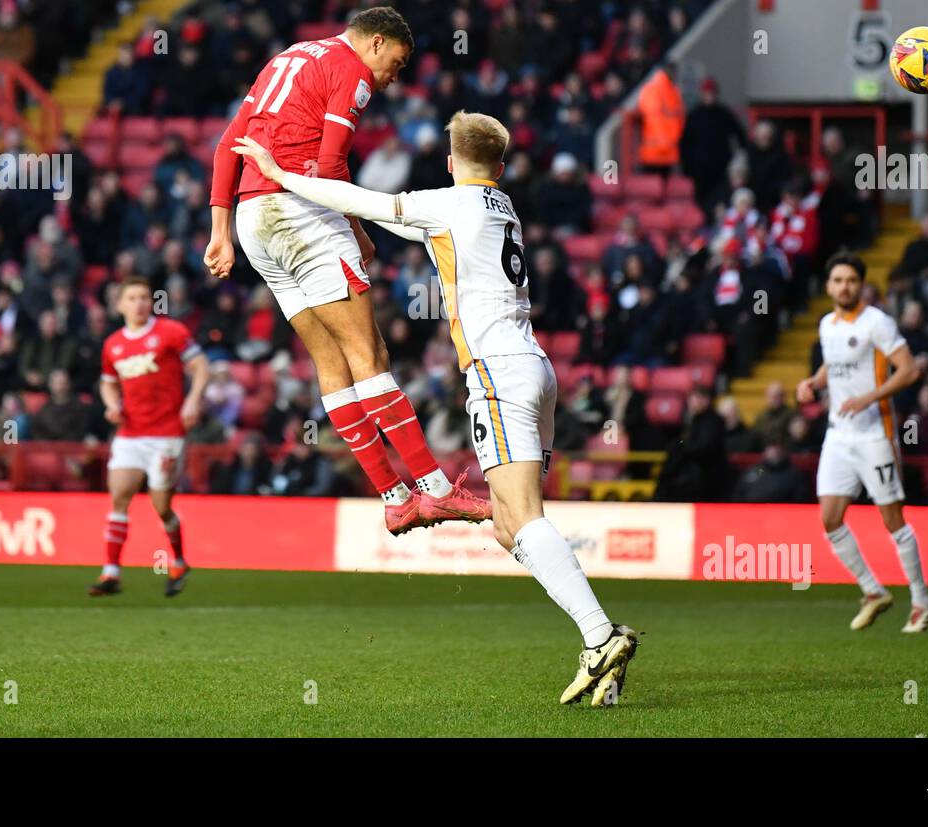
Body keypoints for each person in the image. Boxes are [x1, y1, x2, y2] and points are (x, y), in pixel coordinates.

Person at [236, 110, 638, 708]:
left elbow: (359, 198)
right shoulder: (504, 208)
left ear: (451, 164)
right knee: (510, 523)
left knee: (522, 518)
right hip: (536, 368)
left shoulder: (451, 204)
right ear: (500, 166)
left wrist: (278, 175)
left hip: (496, 375)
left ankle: (601, 636)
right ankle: (598, 653)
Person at [203, 7, 484, 531]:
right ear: (376, 42)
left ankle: (394, 497)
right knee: (369, 354)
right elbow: (331, 166)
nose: (391, 78)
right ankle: (435, 488)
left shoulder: (284, 59)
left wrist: (220, 232)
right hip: (301, 212)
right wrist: (356, 231)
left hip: (252, 220)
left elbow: (227, 146)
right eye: (395, 64)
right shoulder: (350, 70)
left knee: (331, 364)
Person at [797, 253, 928, 633]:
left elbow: (909, 370)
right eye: (838, 280)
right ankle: (873, 591)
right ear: (828, 287)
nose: (844, 286)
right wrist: (813, 382)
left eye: (851, 280)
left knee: (892, 520)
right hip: (838, 435)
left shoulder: (878, 322)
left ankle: (922, 601)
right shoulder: (827, 325)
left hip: (876, 434)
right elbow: (834, 365)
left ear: (861, 285)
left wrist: (869, 397)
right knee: (829, 518)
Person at [90, 277, 209, 598]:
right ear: (120, 305)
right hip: (130, 432)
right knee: (119, 497)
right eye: (132, 298)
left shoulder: (171, 332)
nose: (140, 303)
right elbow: (107, 382)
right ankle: (111, 572)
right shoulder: (113, 344)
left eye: (144, 297)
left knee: (161, 507)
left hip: (167, 433)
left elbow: (199, 366)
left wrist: (193, 399)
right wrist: (112, 404)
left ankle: (179, 560)